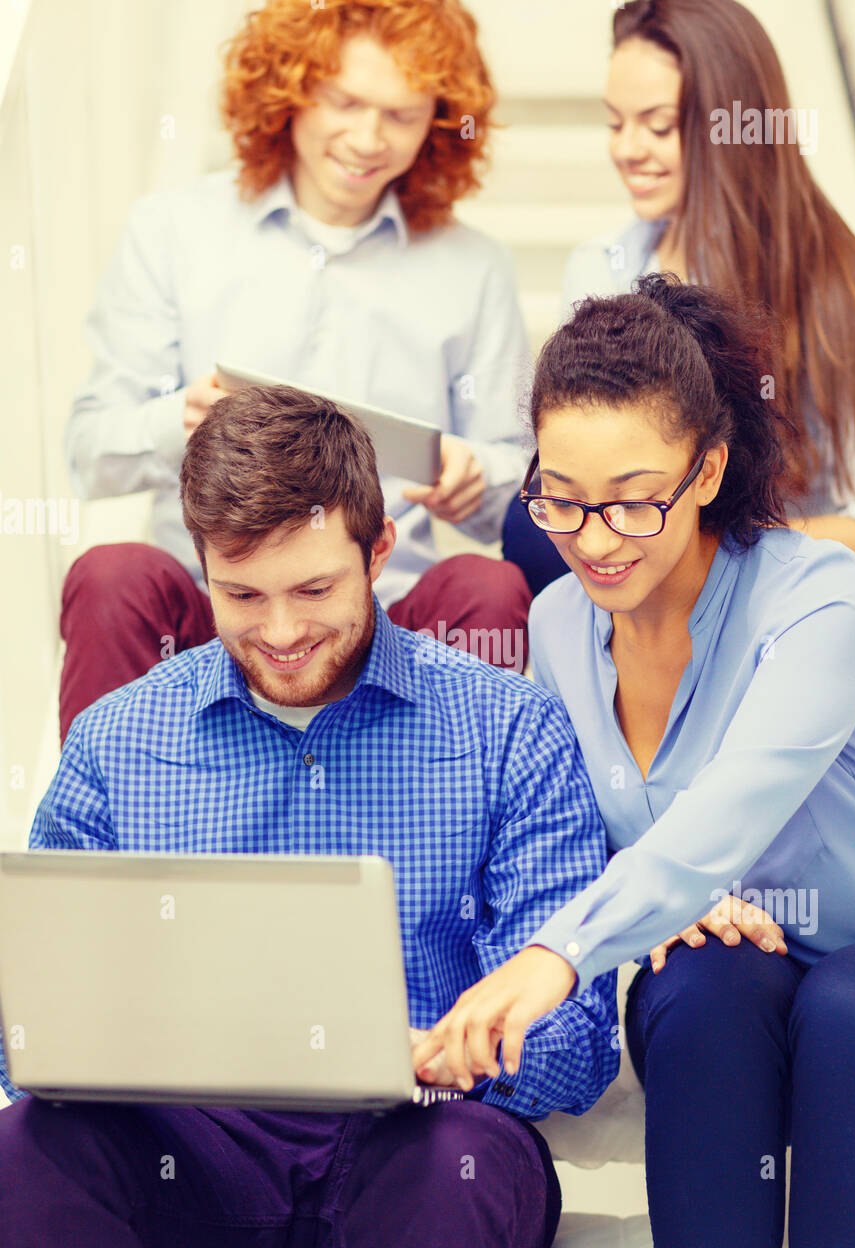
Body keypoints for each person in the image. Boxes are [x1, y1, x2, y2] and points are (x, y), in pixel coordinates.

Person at [0, 385, 619, 1248]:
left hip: (417, 1142)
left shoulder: (507, 729)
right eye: (241, 594)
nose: (281, 634)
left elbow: (579, 1039)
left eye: (314, 589)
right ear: (201, 565)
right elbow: (25, 1020)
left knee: (457, 1166)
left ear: (377, 552)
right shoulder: (118, 740)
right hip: (193, 1156)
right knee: (29, 1150)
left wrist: (471, 1046)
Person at [415, 275, 855, 1248]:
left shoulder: (819, 596)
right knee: (696, 990)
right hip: (736, 964)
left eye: (631, 499)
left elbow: (738, 798)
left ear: (705, 471)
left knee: (850, 1006)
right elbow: (598, 829)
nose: (594, 536)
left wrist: (557, 952)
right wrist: (673, 900)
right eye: (558, 496)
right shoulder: (560, 623)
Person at [60, 0, 533, 744]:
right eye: (345, 102)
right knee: (112, 574)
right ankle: (102, 847)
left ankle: (467, 830)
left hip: (381, 618)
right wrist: (172, 423)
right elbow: (90, 448)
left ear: (438, 122)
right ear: (290, 90)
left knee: (489, 584)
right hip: (215, 603)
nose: (369, 139)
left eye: (402, 115)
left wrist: (480, 479)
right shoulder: (174, 229)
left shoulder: (473, 268)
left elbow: (524, 481)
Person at [503, 0, 855, 600]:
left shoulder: (834, 284)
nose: (628, 149)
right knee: (521, 533)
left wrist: (717, 538)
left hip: (767, 603)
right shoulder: (600, 268)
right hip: (642, 608)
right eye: (614, 122)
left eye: (658, 125)